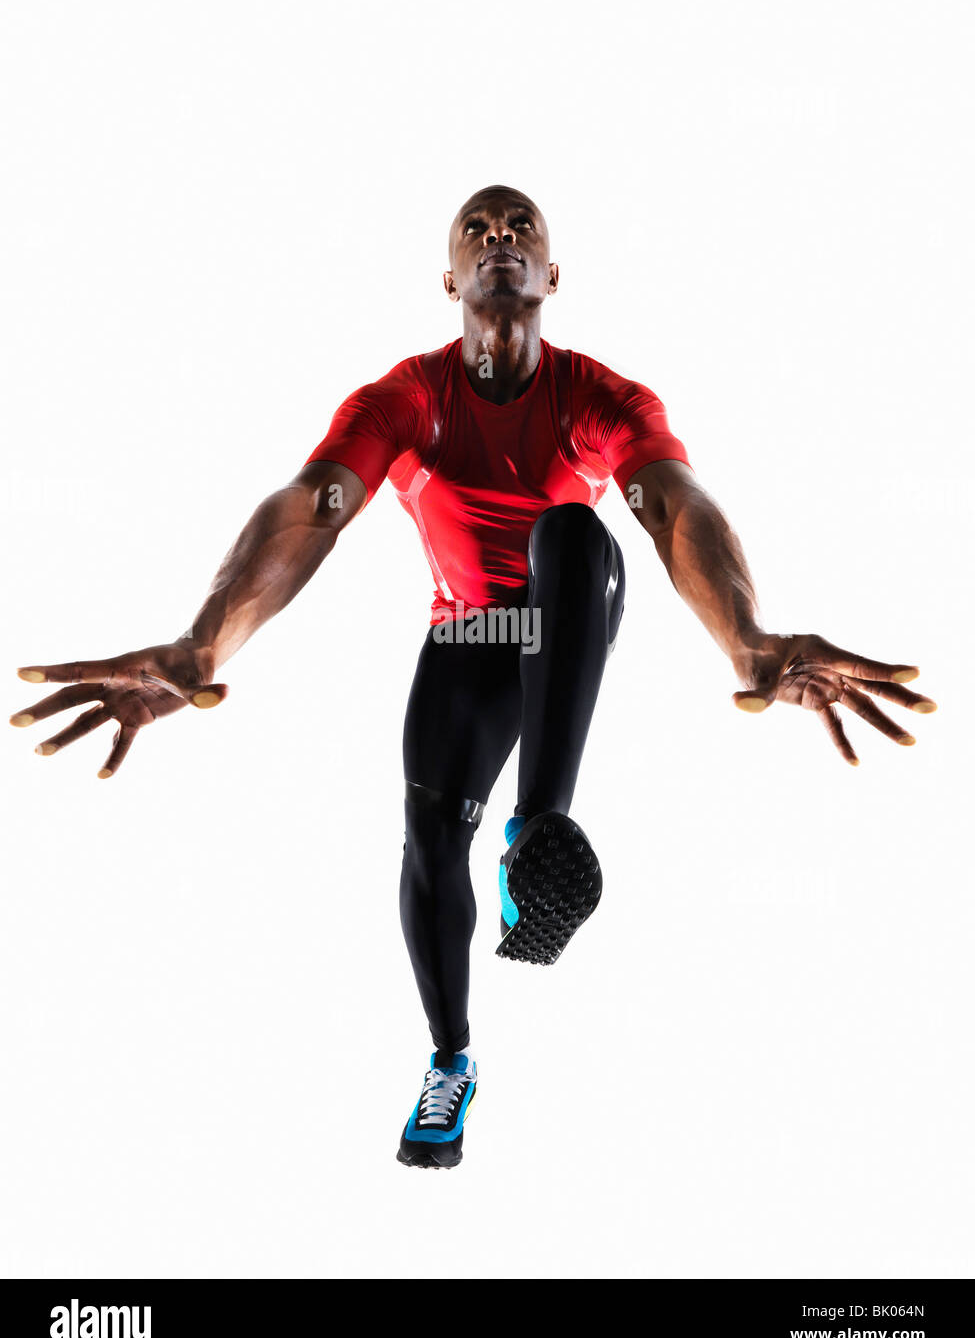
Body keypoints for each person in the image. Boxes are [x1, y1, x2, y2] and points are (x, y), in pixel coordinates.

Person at [11, 185, 937, 1170]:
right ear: (451, 278)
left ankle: (538, 829)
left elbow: (674, 508)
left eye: (520, 230)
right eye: (478, 233)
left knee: (574, 529)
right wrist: (203, 644)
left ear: (550, 276)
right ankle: (450, 1057)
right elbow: (313, 507)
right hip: (463, 646)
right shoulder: (406, 401)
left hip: (565, 619)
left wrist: (748, 637)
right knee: (423, 844)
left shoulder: (603, 400)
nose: (500, 240)